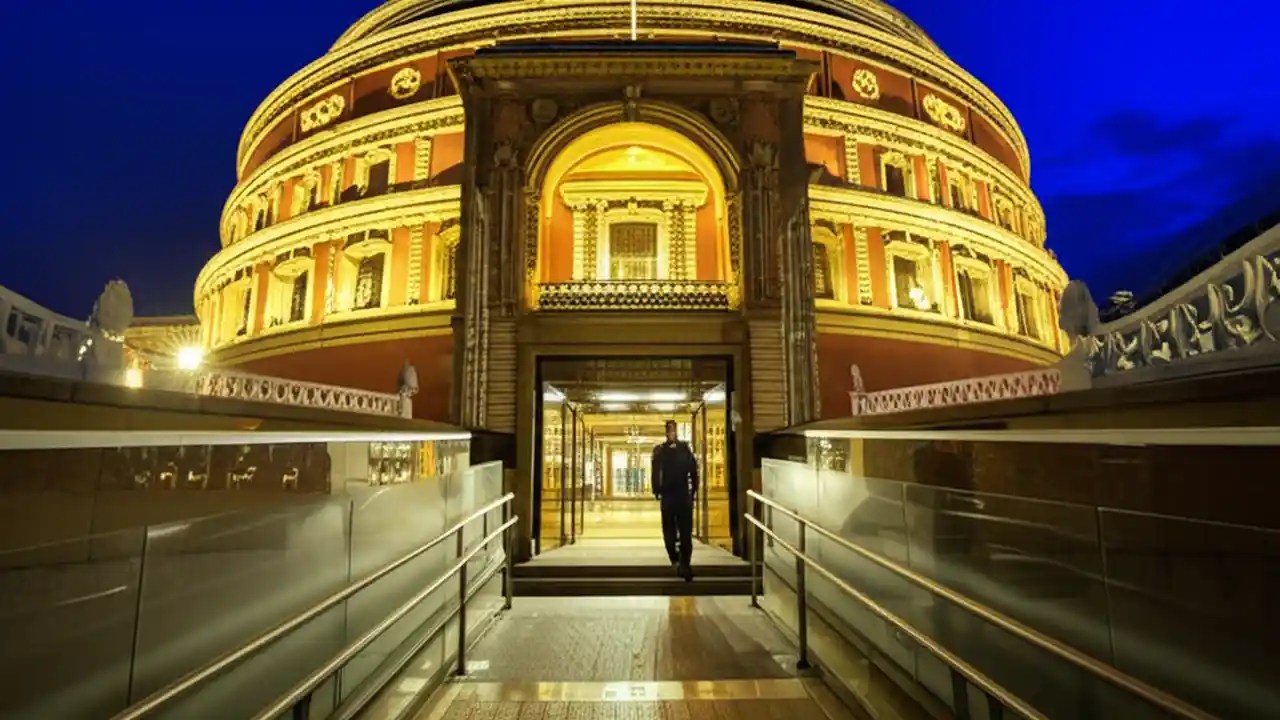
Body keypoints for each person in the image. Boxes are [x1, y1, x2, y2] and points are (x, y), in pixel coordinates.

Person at [651, 419, 699, 580]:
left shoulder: (684, 449)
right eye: (669, 430)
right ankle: (675, 559)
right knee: (669, 531)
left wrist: (693, 491)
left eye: (673, 430)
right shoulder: (660, 450)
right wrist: (657, 490)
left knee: (685, 532)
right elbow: (655, 471)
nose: (671, 433)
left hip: (683, 495)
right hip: (669, 495)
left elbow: (693, 471)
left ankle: (685, 564)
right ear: (666, 432)